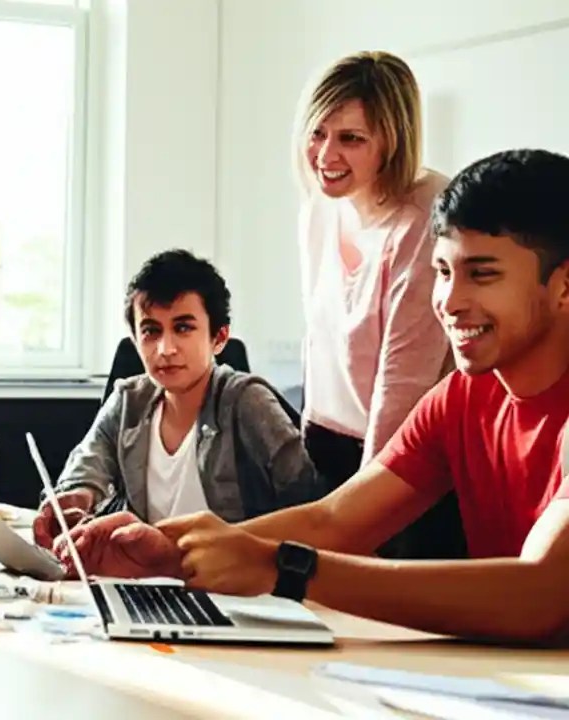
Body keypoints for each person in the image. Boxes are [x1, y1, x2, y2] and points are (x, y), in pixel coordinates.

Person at [62, 149, 569, 645]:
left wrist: (284, 567)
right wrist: (172, 554)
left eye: (482, 274)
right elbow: (335, 520)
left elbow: (544, 593)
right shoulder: (461, 397)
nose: (450, 302)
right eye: (441, 272)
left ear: (564, 285)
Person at [33, 250, 321, 550]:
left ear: (219, 337)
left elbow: (309, 508)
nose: (165, 349)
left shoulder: (247, 401)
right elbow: (87, 466)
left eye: (183, 328)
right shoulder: (129, 401)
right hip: (146, 582)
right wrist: (75, 496)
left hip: (233, 585)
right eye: (151, 331)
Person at [296, 51, 452, 485]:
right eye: (318, 133)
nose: (326, 154)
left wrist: (362, 500)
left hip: (399, 452)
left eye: (351, 139)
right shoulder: (319, 210)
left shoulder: (423, 216)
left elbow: (403, 381)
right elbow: (318, 344)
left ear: (392, 141)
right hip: (324, 439)